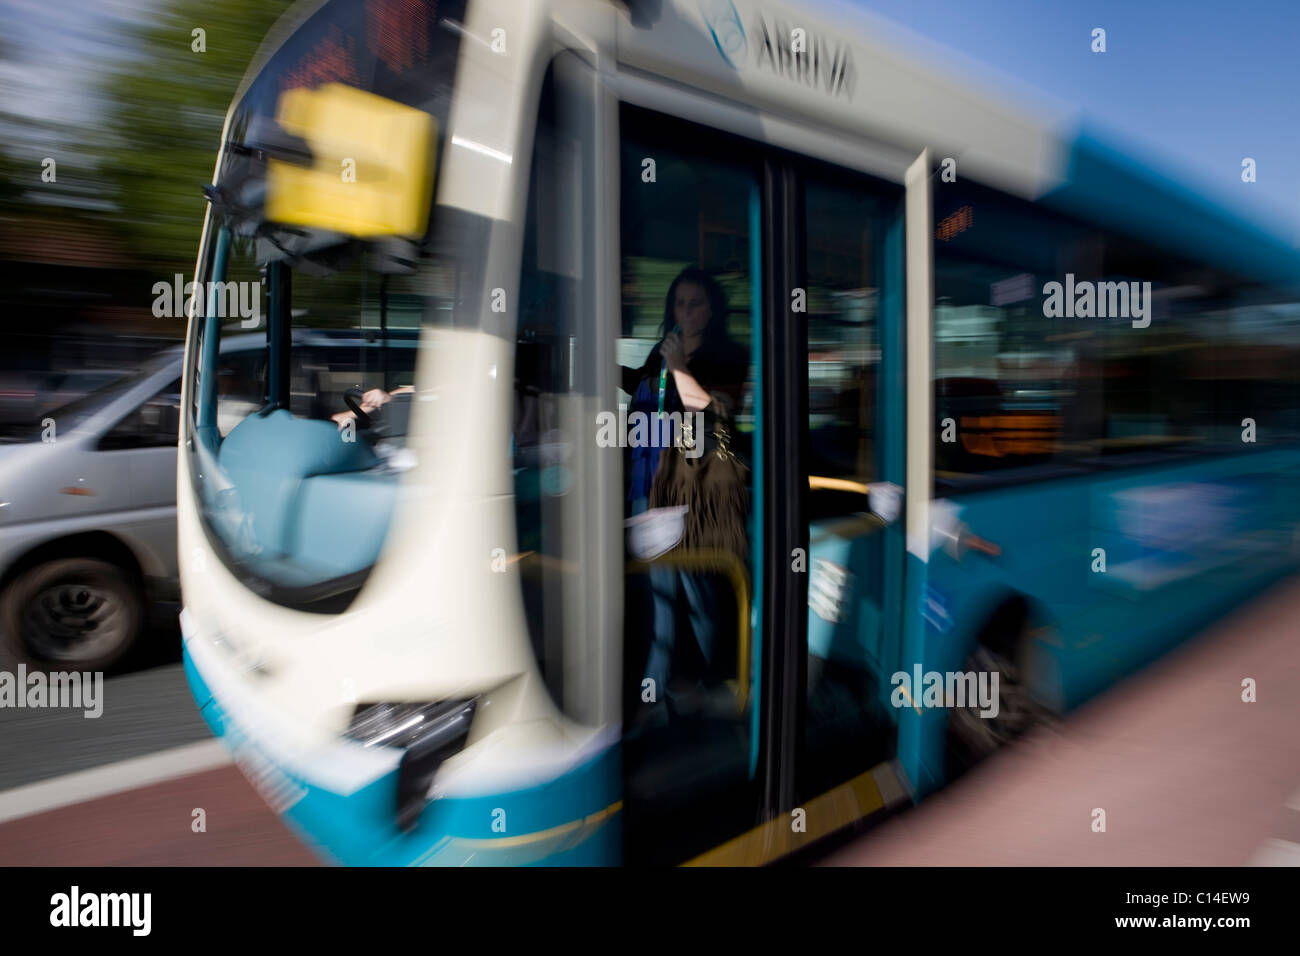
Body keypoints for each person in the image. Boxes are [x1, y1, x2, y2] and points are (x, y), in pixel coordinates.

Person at [621, 267, 748, 720]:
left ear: (711, 311)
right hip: (651, 482)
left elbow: (712, 409)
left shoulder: (727, 355)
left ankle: (705, 680)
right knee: (660, 595)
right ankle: (656, 692)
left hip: (695, 490)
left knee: (696, 589)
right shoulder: (661, 353)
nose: (685, 312)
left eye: (695, 304)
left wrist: (677, 366)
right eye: (679, 303)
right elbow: (641, 390)